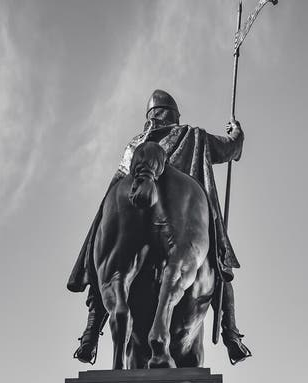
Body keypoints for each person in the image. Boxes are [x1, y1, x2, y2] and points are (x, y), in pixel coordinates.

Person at [68, 89, 251, 366]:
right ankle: (231, 334)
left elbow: (120, 179)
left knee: (103, 245)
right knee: (217, 256)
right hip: (184, 216)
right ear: (174, 116)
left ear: (150, 119)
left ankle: (92, 331)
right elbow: (229, 148)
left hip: (134, 200)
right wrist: (237, 134)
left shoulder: (134, 145)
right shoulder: (192, 135)